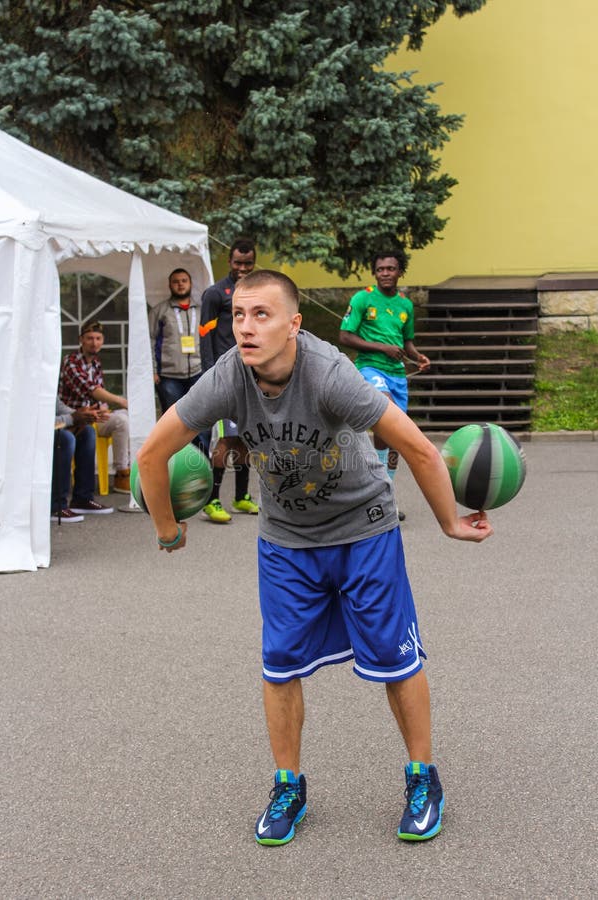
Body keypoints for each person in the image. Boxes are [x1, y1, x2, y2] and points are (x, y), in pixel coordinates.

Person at [136, 270, 493, 847]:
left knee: (395, 659)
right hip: (287, 542)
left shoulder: (331, 374)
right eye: (239, 316)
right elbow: (153, 453)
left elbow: (418, 447)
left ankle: (424, 778)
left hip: (363, 531)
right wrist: (167, 529)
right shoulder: (229, 377)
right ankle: (288, 785)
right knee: (279, 665)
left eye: (262, 315)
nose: (246, 328)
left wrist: (451, 522)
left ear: (294, 325)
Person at [338, 248, 430, 521]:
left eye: (390, 269)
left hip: (398, 374)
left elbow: (407, 341)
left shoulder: (405, 305)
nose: (385, 274)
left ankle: (385, 493)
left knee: (396, 437)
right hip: (370, 368)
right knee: (385, 414)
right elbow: (345, 335)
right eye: (380, 269)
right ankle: (374, 489)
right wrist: (381, 347)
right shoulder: (363, 298)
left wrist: (417, 357)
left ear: (400, 271)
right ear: (374, 272)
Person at [198, 237, 259, 523]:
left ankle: (241, 497)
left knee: (247, 438)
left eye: (248, 263)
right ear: (229, 262)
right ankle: (212, 501)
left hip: (253, 376)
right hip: (225, 376)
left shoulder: (257, 291)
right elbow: (204, 335)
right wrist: (212, 372)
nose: (243, 268)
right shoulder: (215, 293)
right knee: (226, 439)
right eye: (238, 263)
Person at [59, 320, 131, 495]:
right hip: (74, 417)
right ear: (81, 340)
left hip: (94, 416)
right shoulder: (71, 362)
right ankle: (119, 473)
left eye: (98, 338)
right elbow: (92, 390)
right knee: (121, 414)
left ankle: (123, 470)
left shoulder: (96, 363)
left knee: (123, 418)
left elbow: (98, 396)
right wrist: (121, 401)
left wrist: (104, 408)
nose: (94, 342)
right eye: (89, 338)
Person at [148, 268, 209, 456]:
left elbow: (210, 339)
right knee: (175, 422)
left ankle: (202, 461)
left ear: (190, 283)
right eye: (176, 281)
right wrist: (153, 369)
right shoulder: (160, 310)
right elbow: (149, 340)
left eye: (184, 280)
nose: (180, 284)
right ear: (170, 285)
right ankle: (179, 462)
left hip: (198, 372)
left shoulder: (201, 310)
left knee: (203, 419)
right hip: (169, 376)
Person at [52, 399, 113, 521]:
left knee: (87, 431)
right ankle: (56, 506)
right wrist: (72, 418)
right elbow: (37, 420)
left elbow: (58, 406)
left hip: (56, 424)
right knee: (65, 438)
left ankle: (82, 499)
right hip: (31, 432)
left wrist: (84, 414)